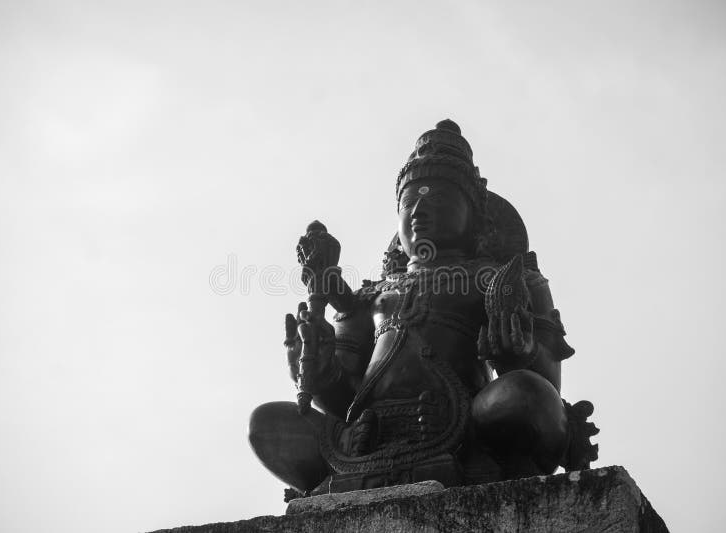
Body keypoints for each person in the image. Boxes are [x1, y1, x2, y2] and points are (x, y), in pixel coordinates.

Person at [249, 120, 597, 497]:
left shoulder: (506, 279)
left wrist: (516, 355)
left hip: (465, 422)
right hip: (365, 435)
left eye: (438, 197)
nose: (419, 210)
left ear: (475, 214)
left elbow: (545, 383)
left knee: (526, 396)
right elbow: (342, 397)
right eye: (408, 200)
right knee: (266, 424)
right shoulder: (368, 297)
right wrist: (318, 368)